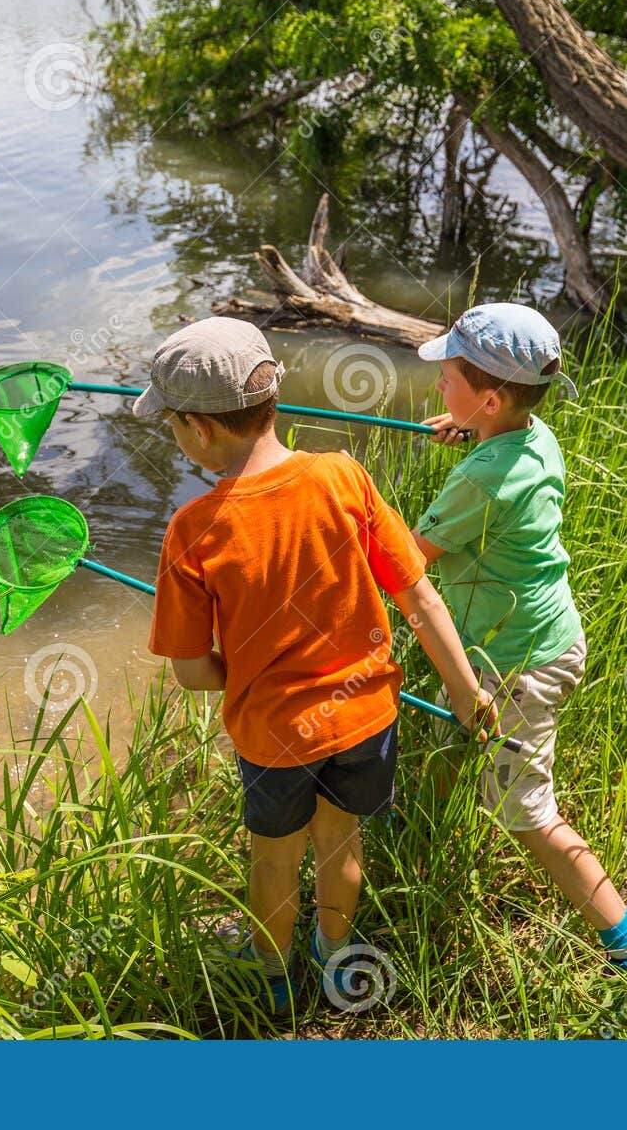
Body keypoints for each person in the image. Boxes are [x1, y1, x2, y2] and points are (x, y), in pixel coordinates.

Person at [136, 316, 496, 1013]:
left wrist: (246, 676)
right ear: (272, 399)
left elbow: (189, 670)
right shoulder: (344, 476)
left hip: (276, 739)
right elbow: (418, 593)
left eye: (175, 428)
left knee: (274, 859)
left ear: (199, 430)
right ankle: (335, 956)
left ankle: (272, 973)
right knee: (341, 841)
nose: (179, 440)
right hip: (367, 719)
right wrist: (464, 689)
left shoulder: (192, 531)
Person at [415, 302, 627, 969]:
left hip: (519, 663)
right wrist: (471, 431)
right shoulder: (530, 436)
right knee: (454, 741)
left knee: (528, 815)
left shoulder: (482, 479)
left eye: (451, 380)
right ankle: (419, 830)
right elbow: (507, 449)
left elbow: (406, 560)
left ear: (490, 398)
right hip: (537, 639)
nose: (439, 385)